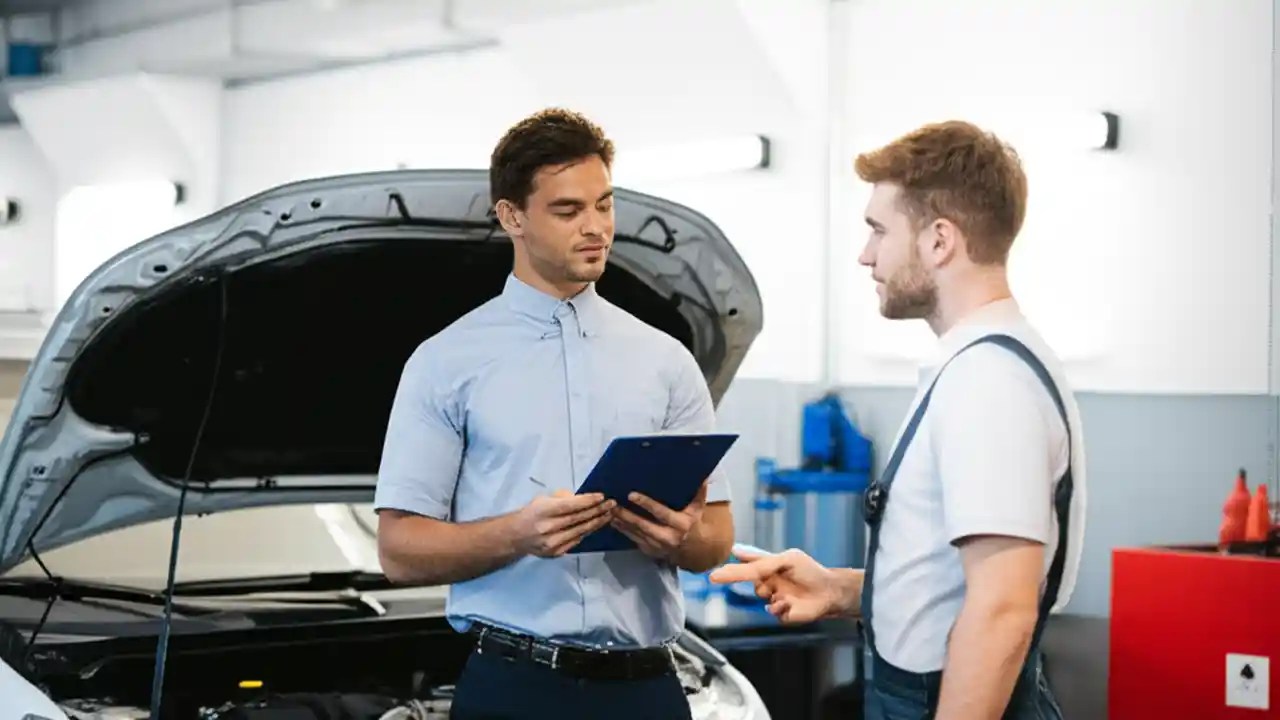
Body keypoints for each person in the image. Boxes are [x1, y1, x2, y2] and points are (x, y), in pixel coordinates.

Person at [710, 120, 1087, 719]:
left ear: (940, 241)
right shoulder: (973, 365)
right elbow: (950, 586)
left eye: (879, 231)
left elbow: (1000, 611)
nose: (866, 255)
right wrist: (840, 590)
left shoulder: (988, 381)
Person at [373, 107, 735, 720]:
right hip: (514, 688)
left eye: (604, 205)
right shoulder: (444, 363)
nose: (595, 227)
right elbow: (399, 551)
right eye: (568, 211)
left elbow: (716, 539)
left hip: (648, 688)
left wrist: (683, 540)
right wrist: (517, 534)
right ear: (512, 216)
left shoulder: (666, 360)